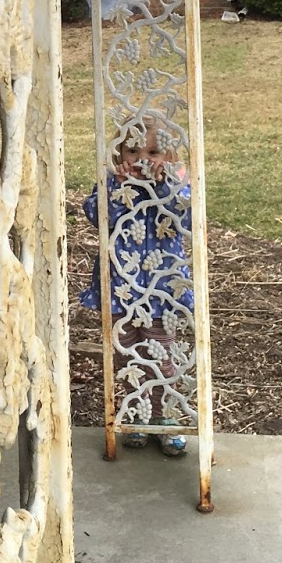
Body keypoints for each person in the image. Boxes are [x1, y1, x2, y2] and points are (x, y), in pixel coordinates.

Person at [78, 118, 194, 457]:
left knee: (162, 353)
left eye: (154, 151)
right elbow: (97, 214)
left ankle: (164, 416)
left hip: (160, 289)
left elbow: (184, 217)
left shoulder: (176, 182)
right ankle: (136, 414)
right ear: (119, 155)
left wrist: (164, 184)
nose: (143, 158)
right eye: (133, 150)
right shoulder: (113, 182)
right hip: (123, 287)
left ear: (169, 155)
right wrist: (118, 187)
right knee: (127, 352)